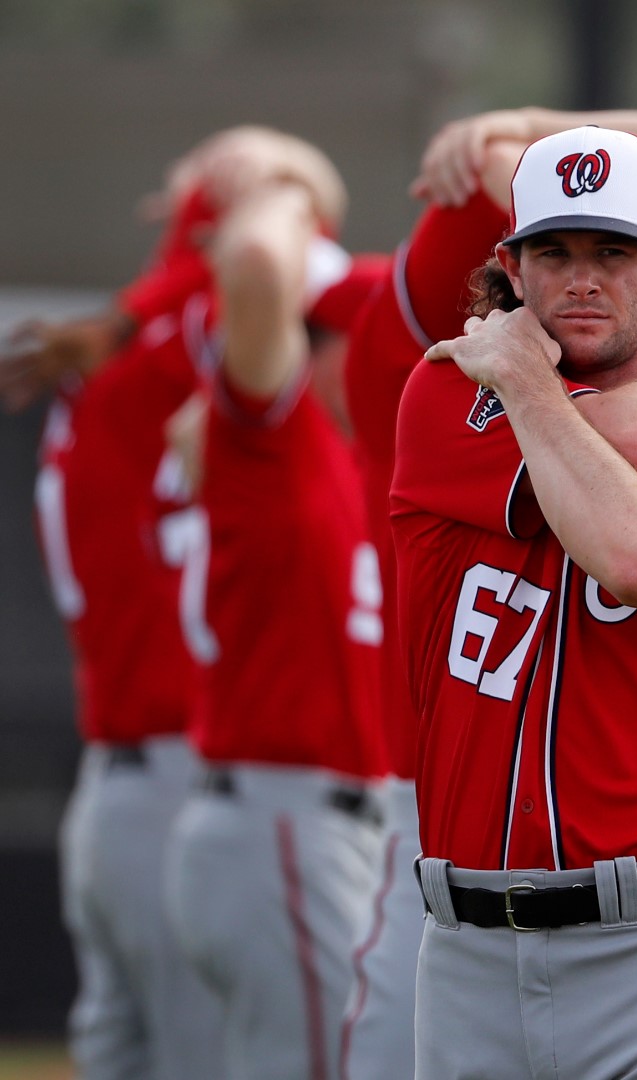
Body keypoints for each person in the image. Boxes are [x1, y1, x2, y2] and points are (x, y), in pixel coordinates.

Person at [335, 105, 637, 1080]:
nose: (581, 277)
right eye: (554, 250)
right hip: (467, 940)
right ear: (511, 267)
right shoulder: (448, 390)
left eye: (613, 251)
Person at [9, 129, 309, 1080]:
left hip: (116, 783)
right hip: (178, 772)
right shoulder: (159, 346)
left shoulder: (120, 344)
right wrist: (259, 175)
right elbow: (280, 241)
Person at [150, 132, 394, 1080]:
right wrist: (293, 184)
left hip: (310, 824)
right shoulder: (276, 440)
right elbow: (255, 263)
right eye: (339, 336)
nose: (388, 361)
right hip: (282, 816)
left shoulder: (354, 461)